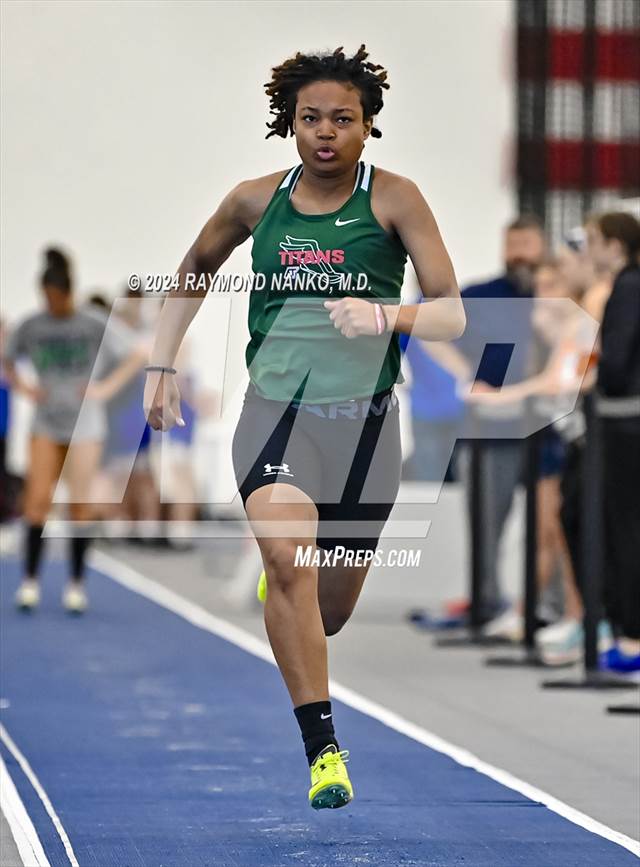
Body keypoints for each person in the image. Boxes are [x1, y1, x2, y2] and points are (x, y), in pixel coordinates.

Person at [143, 45, 465, 810]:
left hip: (366, 428)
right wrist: (161, 362)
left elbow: (452, 312)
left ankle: (287, 582)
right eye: (310, 118)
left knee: (329, 609)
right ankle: (324, 750)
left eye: (342, 119)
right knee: (290, 560)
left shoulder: (396, 200)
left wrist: (385, 315)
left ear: (368, 125)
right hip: (277, 413)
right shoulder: (256, 200)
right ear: (289, 123)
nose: (324, 132)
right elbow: (194, 268)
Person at [3, 248, 142, 613]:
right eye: (46, 298)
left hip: (85, 425)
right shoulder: (33, 325)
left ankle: (76, 584)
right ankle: (29, 581)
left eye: (57, 298)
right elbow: (7, 356)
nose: (52, 305)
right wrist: (23, 386)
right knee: (37, 502)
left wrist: (105, 388)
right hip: (46, 423)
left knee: (80, 505)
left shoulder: (91, 322)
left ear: (68, 293)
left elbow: (137, 354)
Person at [424, 216, 546, 624]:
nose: (519, 254)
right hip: (488, 429)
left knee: (553, 523)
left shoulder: (553, 295)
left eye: (527, 244)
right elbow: (431, 331)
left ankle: (548, 607)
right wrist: (466, 376)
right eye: (512, 245)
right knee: (486, 520)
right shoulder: (481, 295)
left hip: (548, 429)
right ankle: (486, 600)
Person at [587, 211, 640, 673]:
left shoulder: (627, 287)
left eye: (594, 241)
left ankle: (631, 634)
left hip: (626, 423)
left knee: (625, 528)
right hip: (624, 420)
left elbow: (617, 361)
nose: (589, 250)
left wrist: (597, 383)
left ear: (615, 245)